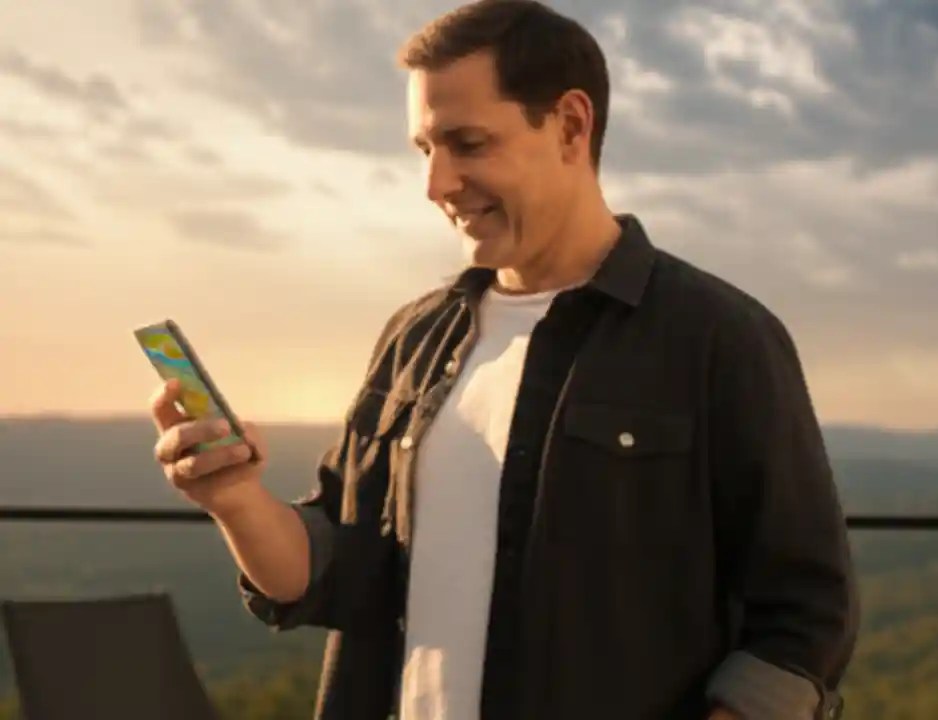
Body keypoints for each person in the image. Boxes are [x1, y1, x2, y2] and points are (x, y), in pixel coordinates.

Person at [147, 1, 859, 718]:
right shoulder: (412, 339)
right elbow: (337, 571)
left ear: (571, 127)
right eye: (425, 149)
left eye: (469, 143)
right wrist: (235, 501)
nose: (437, 185)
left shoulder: (720, 339)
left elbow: (805, 617)